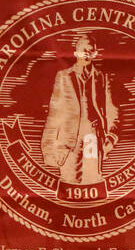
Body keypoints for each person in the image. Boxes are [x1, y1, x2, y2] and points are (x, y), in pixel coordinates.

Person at [41, 35, 118, 184]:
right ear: (76, 53)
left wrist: (111, 136)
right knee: (69, 180)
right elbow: (55, 111)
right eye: (84, 50)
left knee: (92, 180)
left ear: (95, 53)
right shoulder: (63, 77)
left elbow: (112, 109)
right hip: (70, 138)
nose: (87, 54)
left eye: (91, 51)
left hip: (93, 135)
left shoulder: (102, 78)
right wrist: (49, 144)